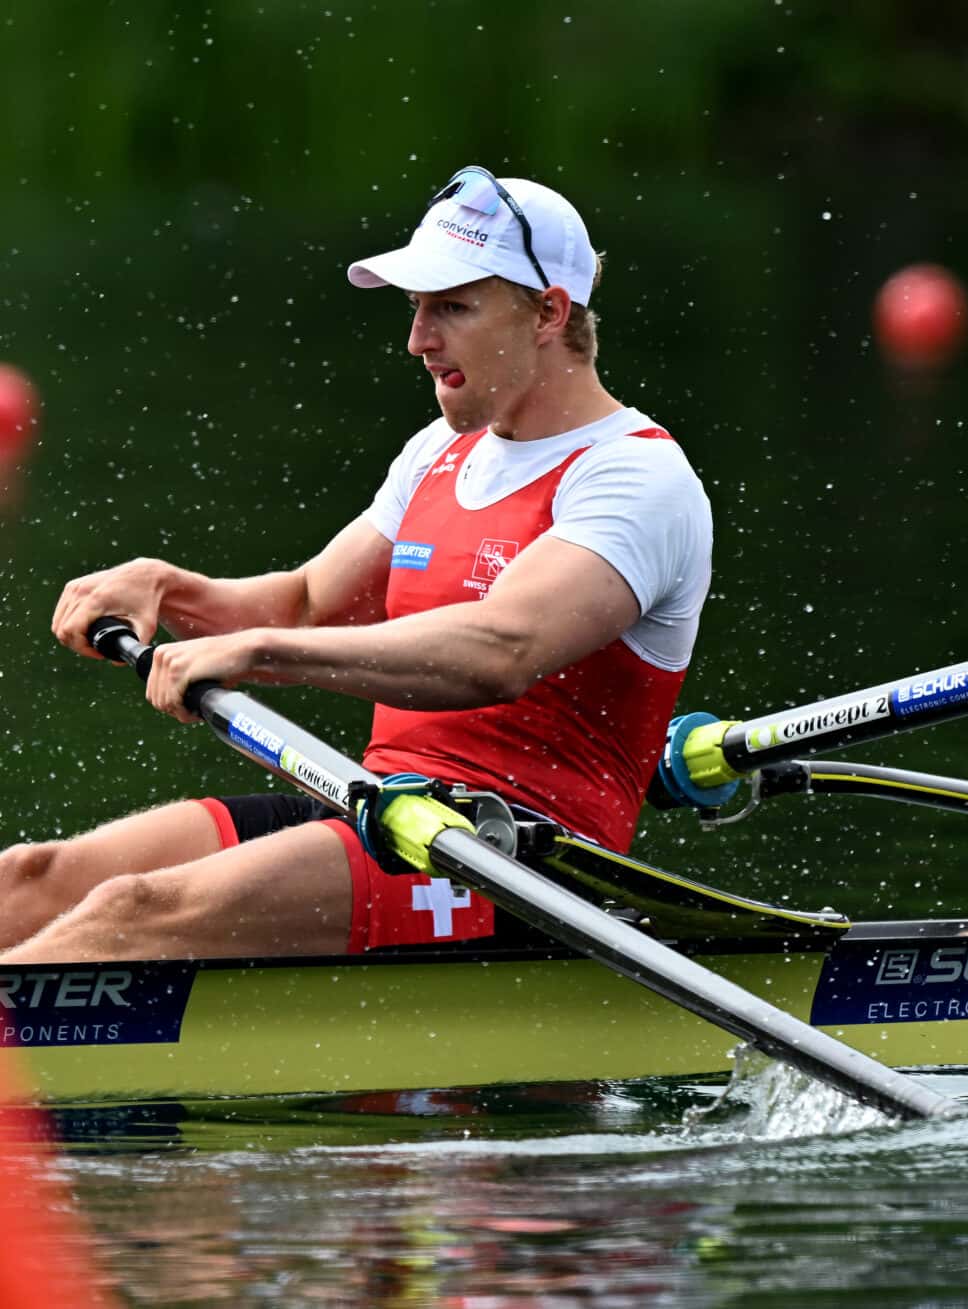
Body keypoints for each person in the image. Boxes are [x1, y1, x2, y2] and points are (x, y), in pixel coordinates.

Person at [1, 166, 713, 962]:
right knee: (26, 879)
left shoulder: (636, 477)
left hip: (522, 862)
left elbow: (501, 650)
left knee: (130, 910)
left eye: (453, 307)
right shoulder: (439, 451)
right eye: (416, 307)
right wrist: (168, 587)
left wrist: (255, 653)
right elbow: (307, 602)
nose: (419, 339)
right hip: (387, 811)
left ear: (548, 311)